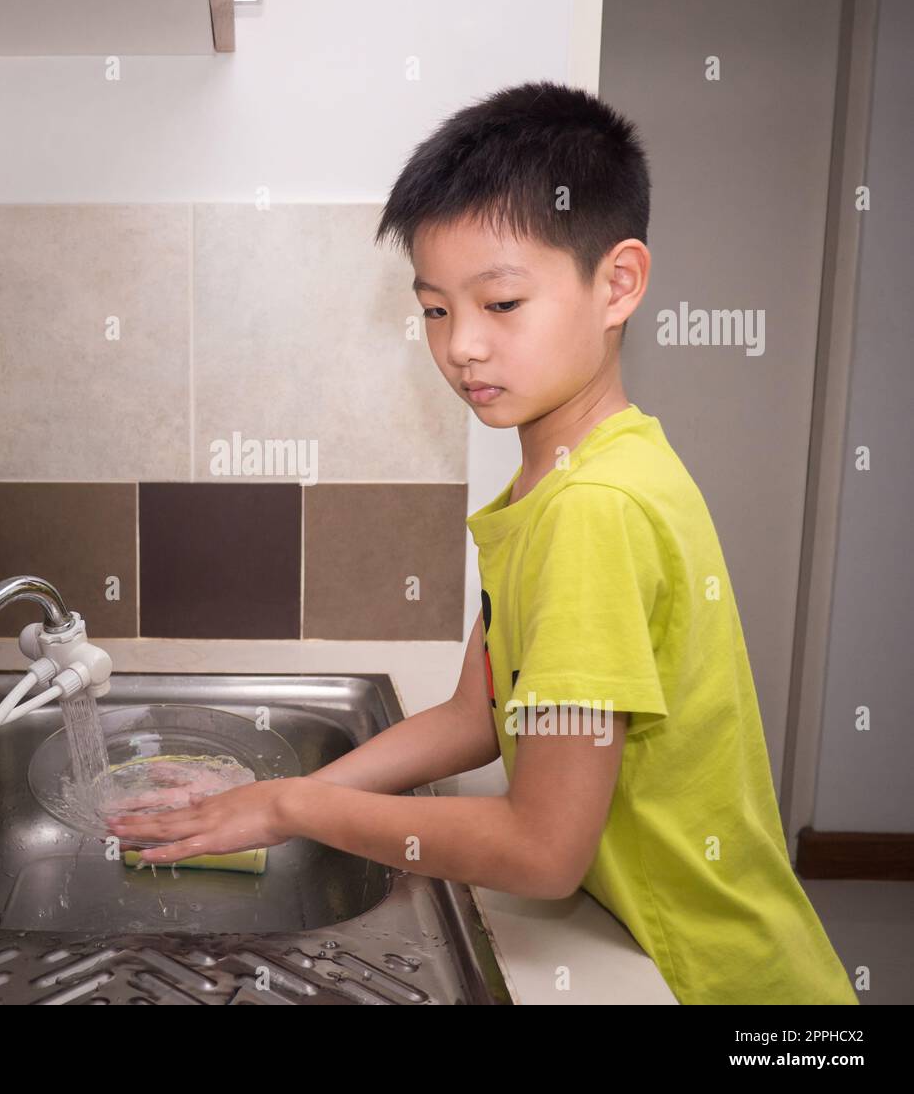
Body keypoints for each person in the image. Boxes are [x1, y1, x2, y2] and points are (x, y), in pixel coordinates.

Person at [106, 80, 857, 1005]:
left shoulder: (593, 510)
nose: (461, 345)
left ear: (617, 282)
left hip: (722, 984)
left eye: (500, 304)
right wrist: (283, 797)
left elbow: (542, 850)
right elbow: (477, 714)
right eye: (434, 308)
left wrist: (290, 804)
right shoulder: (561, 479)